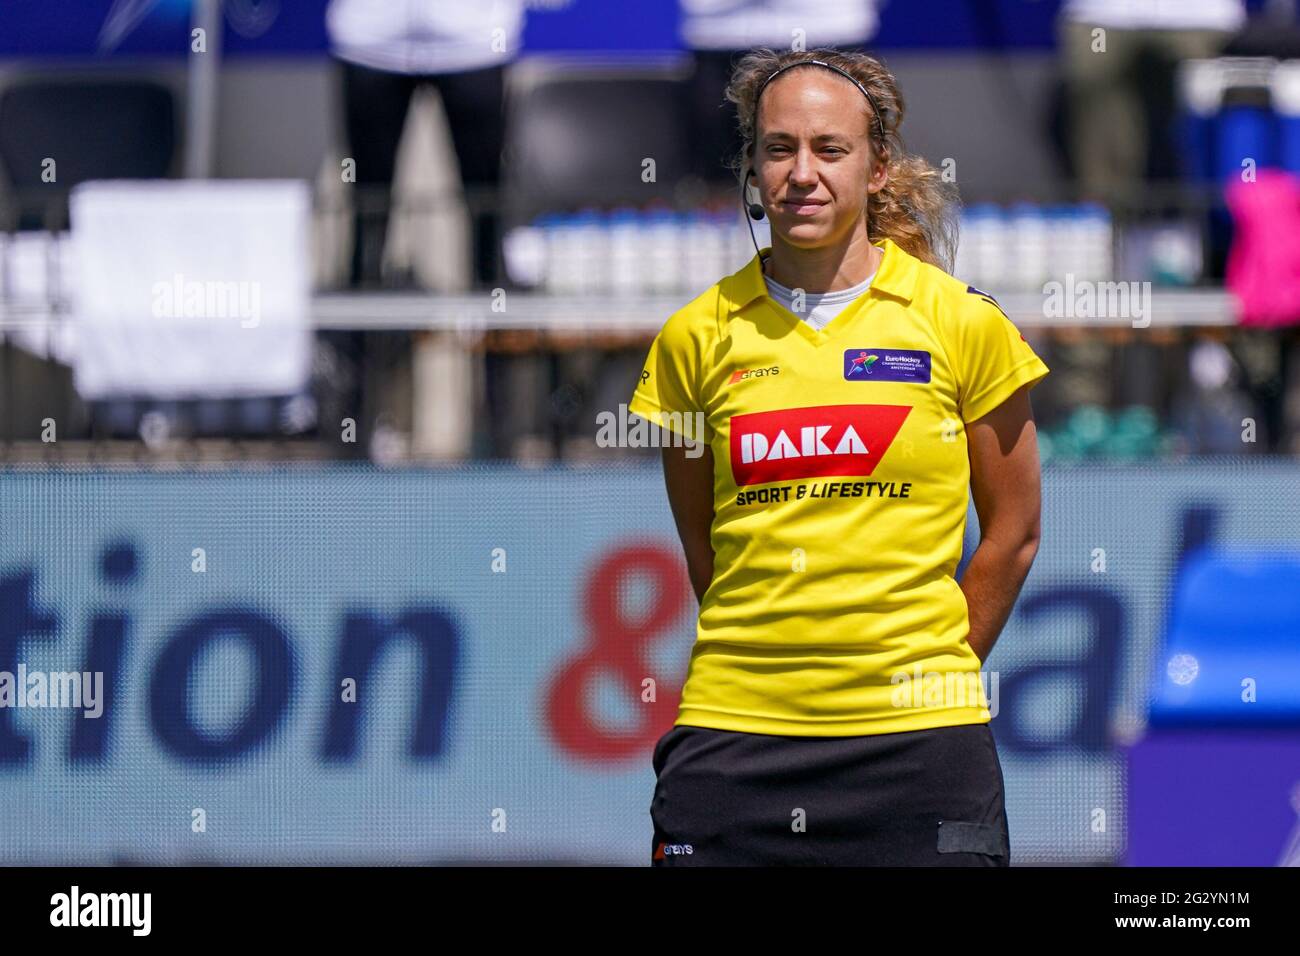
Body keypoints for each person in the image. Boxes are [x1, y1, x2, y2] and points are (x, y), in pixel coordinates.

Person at [628, 49, 1051, 866]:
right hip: (736, 740)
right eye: (779, 148)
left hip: (920, 749)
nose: (802, 173)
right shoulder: (694, 337)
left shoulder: (962, 324)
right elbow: (703, 545)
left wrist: (929, 668)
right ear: (752, 166)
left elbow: (1015, 532)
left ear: (878, 165)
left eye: (830, 149)